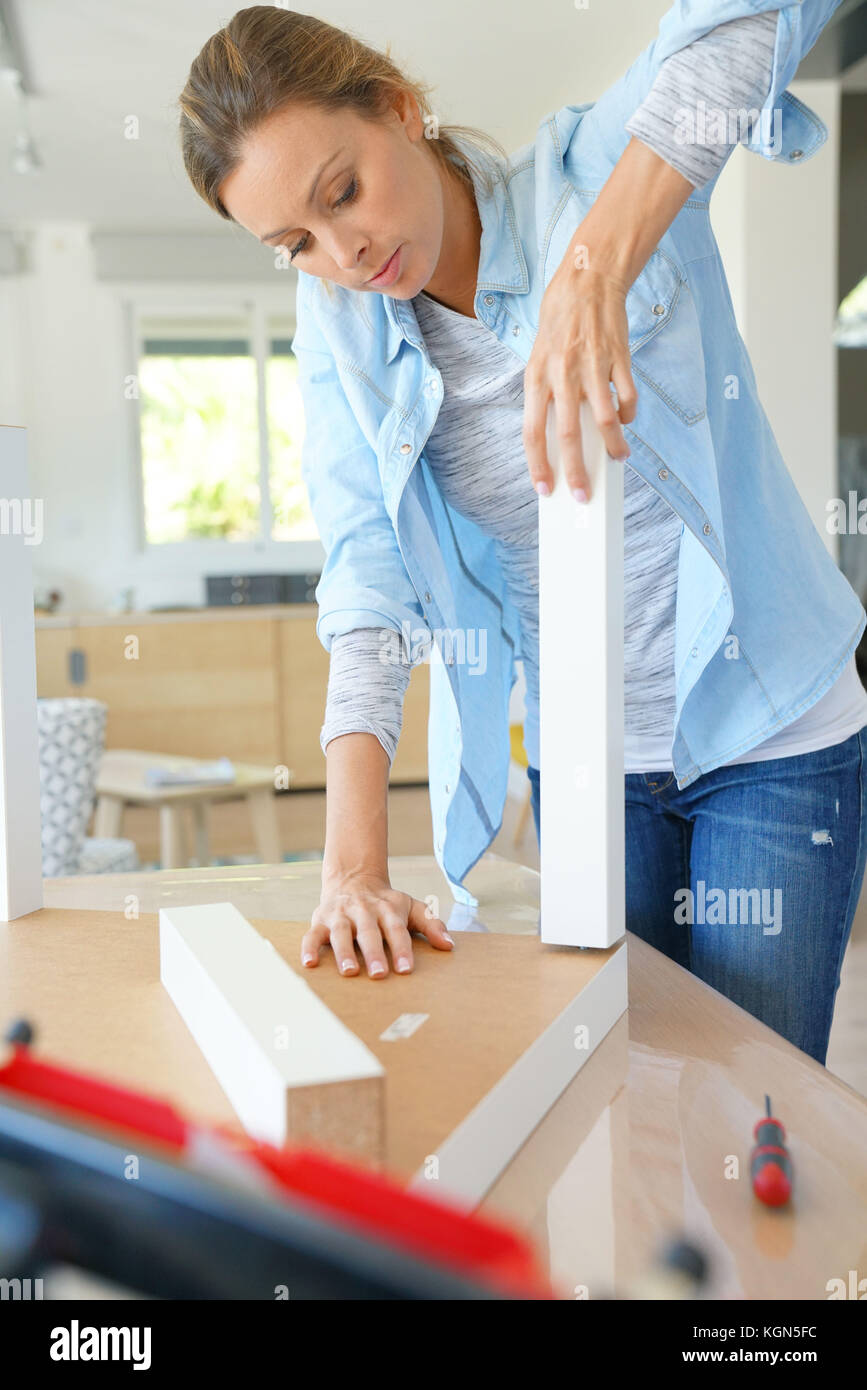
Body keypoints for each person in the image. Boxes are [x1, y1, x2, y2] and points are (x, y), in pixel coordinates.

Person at [179, 2, 867, 1064]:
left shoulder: (590, 167)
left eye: (343, 193)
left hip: (772, 725)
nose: (344, 252)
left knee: (753, 1099)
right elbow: (369, 580)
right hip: (586, 757)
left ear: (401, 110)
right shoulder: (344, 334)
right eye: (295, 244)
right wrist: (355, 867)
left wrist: (593, 261)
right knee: (624, 1104)